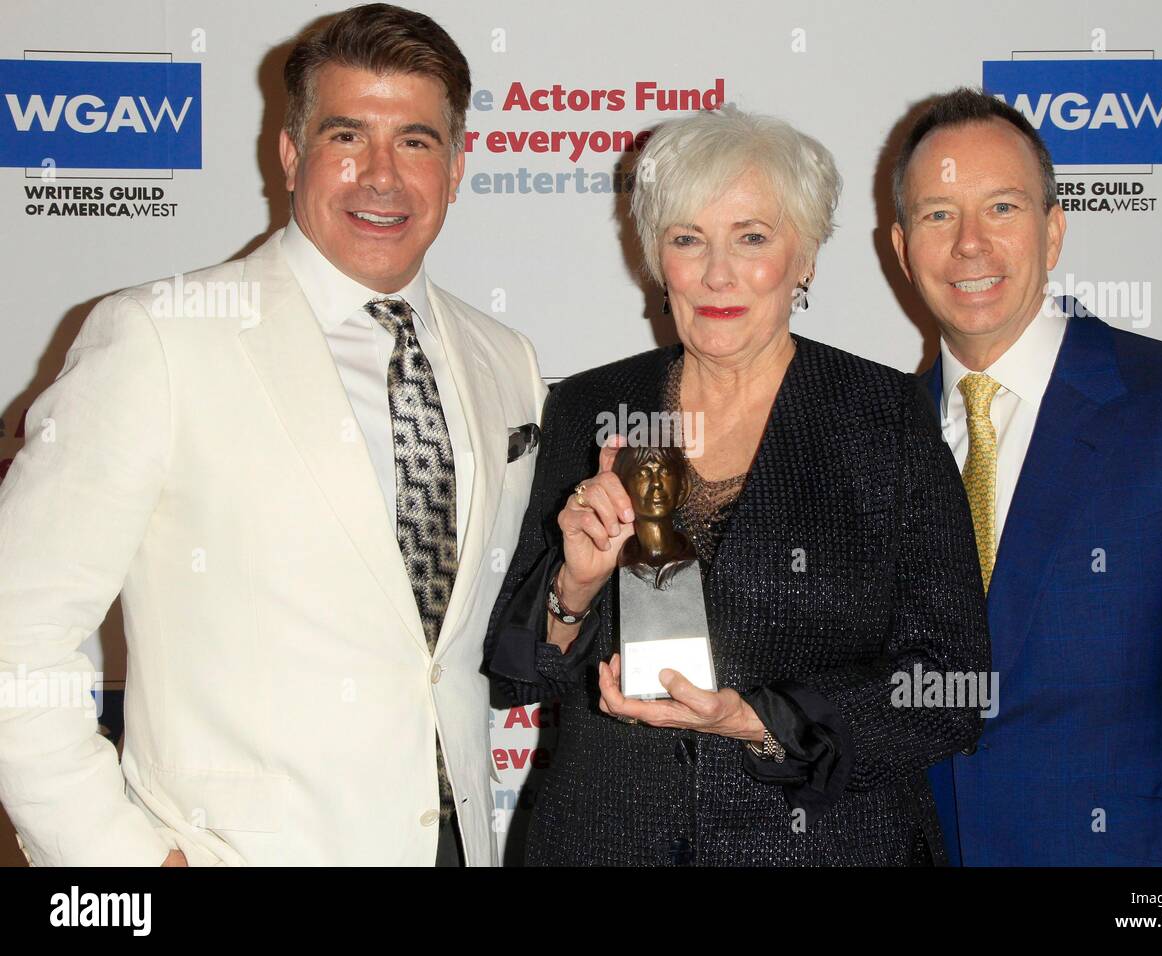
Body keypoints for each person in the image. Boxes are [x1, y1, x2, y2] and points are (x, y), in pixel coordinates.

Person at [0, 3, 547, 866]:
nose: (381, 176)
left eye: (415, 140)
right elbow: (17, 634)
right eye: (345, 137)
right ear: (291, 153)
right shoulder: (159, 337)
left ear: (457, 165)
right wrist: (122, 868)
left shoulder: (503, 357)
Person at [485, 104, 990, 866]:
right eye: (688, 240)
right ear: (656, 260)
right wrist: (575, 584)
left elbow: (952, 687)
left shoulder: (884, 417)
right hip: (606, 840)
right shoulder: (593, 408)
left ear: (805, 256)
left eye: (751, 238)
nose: (717, 273)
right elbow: (522, 670)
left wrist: (761, 720)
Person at [890, 87, 1162, 865]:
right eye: (939, 214)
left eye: (1002, 208)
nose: (970, 244)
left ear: (1053, 232)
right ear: (904, 248)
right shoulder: (878, 438)